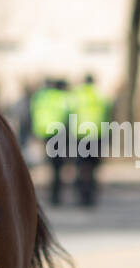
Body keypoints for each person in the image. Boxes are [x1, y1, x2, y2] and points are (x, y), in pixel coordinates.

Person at [30, 78, 71, 205]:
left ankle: (53, 194)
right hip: (59, 133)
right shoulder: (62, 97)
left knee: (52, 165)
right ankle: (56, 194)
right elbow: (69, 115)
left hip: (44, 132)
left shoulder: (40, 96)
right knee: (57, 166)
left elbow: (33, 112)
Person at [69, 74, 109, 207]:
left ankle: (82, 194)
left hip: (80, 135)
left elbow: (69, 114)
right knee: (92, 166)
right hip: (97, 134)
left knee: (82, 166)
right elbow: (108, 114)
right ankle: (90, 195)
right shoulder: (100, 95)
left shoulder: (76, 95)